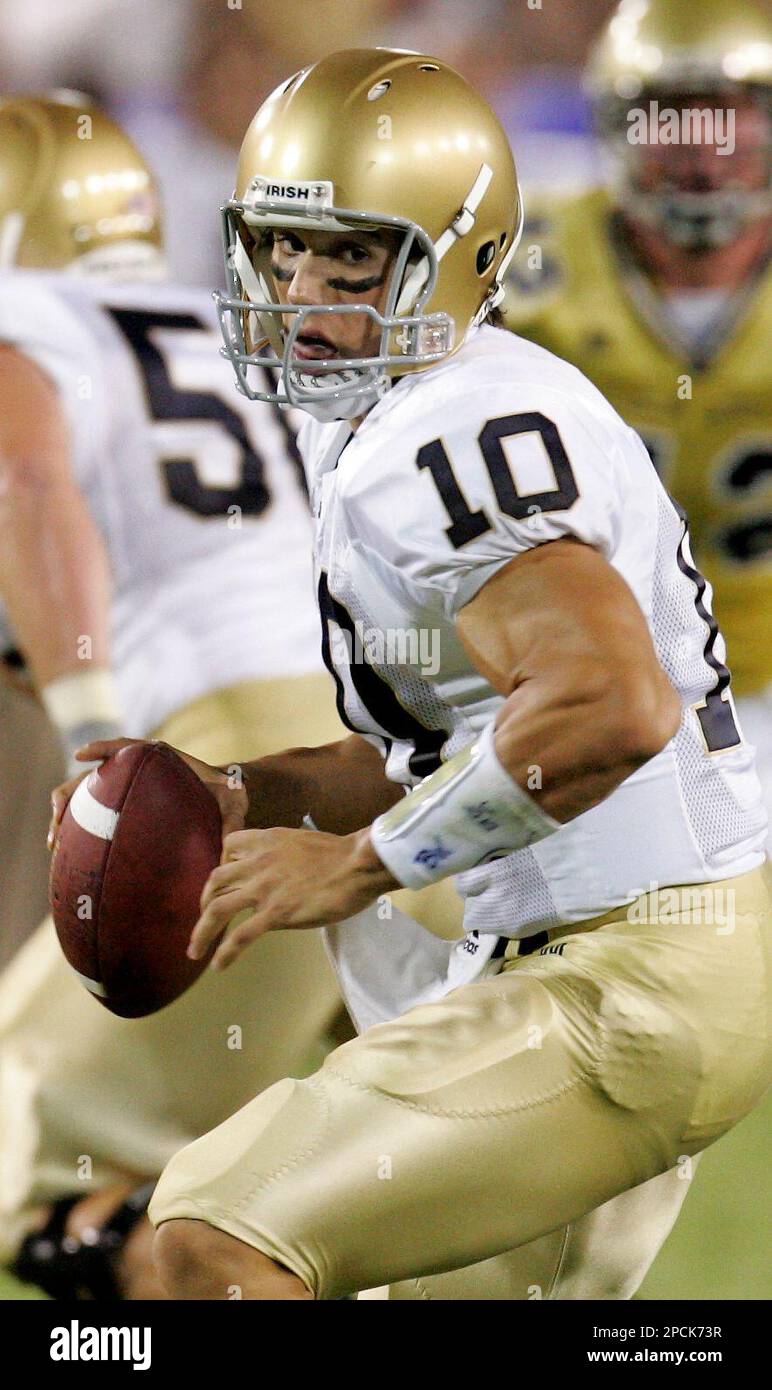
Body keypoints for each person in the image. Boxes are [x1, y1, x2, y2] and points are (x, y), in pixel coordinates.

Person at [53, 49, 770, 1301]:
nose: (305, 298)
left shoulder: (437, 435)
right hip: (653, 953)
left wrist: (365, 865)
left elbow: (609, 705)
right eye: (283, 253)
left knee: (207, 1242)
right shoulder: (428, 407)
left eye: (352, 262)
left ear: (463, 257)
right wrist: (242, 791)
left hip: (618, 969)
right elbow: (448, 742)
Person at [0, 92, 347, 1299]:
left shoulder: (24, 321)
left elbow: (29, 489)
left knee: (36, 1166)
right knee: (347, 1196)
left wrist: (96, 730)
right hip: (381, 754)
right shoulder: (232, 325)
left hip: (216, 763)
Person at [504, 0, 772, 845]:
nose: (700, 154)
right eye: (671, 123)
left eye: (728, 120)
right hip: (596, 679)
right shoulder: (528, 264)